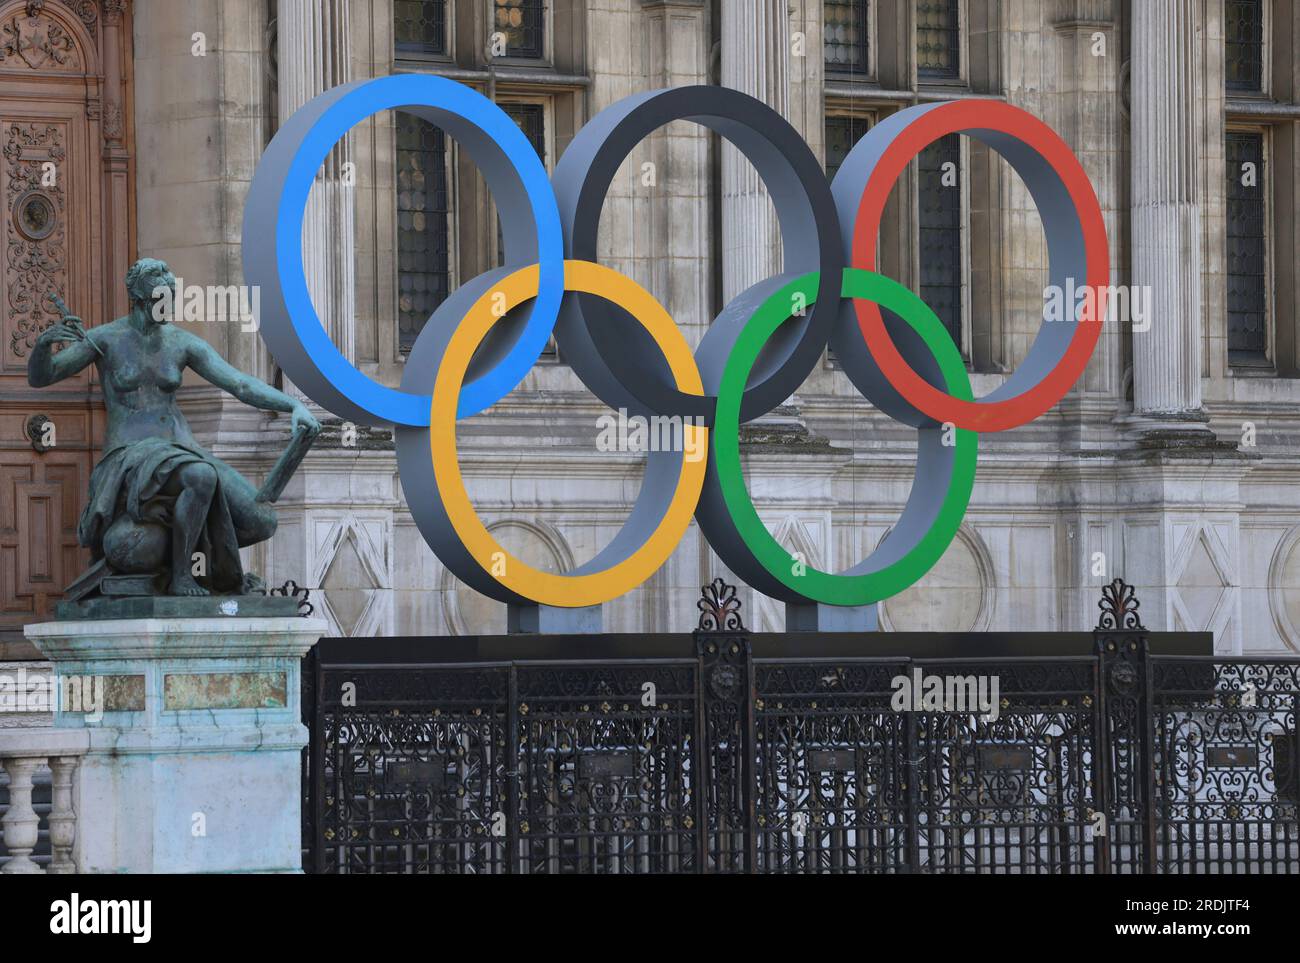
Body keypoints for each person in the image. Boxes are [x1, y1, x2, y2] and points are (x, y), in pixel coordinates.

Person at [27, 257, 320, 597]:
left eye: (172, 298)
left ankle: (184, 555)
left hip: (181, 450)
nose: (168, 307)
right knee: (201, 476)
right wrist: (42, 347)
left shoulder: (182, 343)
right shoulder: (104, 340)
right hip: (129, 454)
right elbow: (42, 377)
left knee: (261, 521)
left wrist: (293, 405)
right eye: (159, 300)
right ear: (138, 301)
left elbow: (240, 384)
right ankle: (182, 576)